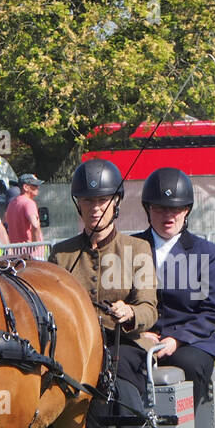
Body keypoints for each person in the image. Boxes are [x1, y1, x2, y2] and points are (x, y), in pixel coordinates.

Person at [48, 159, 157, 398]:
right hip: (74, 345)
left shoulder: (137, 249)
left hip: (121, 344)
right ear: (79, 204)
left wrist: (130, 312)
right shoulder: (61, 253)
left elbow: (149, 309)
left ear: (116, 202)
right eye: (88, 200)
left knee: (123, 390)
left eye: (102, 200)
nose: (95, 208)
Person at [132, 168, 215, 407]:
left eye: (176, 209)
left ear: (187, 211)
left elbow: (211, 311)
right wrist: (138, 334)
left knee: (190, 365)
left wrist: (176, 340)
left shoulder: (206, 253)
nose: (168, 215)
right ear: (148, 210)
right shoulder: (129, 249)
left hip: (191, 341)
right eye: (160, 208)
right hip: (140, 338)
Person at [5, 173, 43, 256]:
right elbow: (35, 225)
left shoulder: (12, 203)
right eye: (34, 185)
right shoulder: (29, 203)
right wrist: (34, 245)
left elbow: (5, 222)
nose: (37, 188)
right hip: (31, 254)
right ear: (25, 187)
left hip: (16, 253)